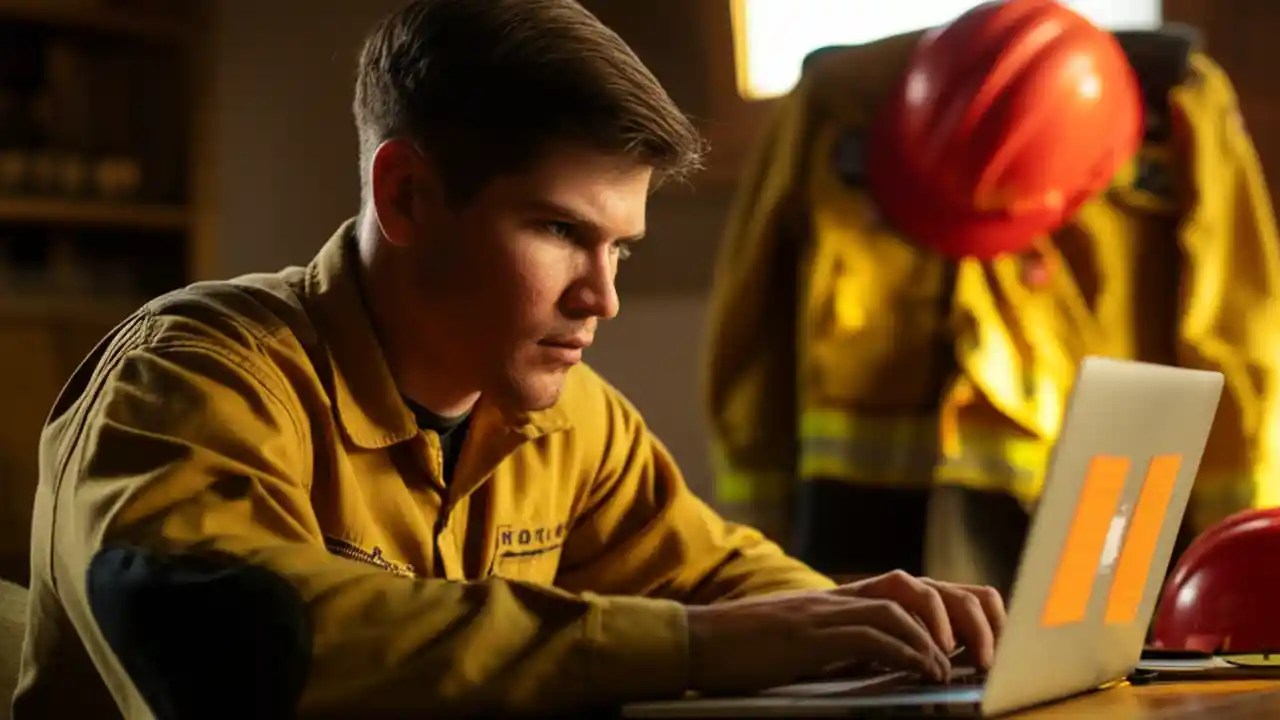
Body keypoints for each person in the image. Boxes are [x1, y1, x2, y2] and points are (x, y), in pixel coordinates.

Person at [11, 1, 1004, 717]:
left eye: (620, 249)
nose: (602, 297)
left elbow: (727, 587)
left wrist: (880, 623)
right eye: (559, 232)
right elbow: (223, 641)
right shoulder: (191, 374)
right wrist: (694, 649)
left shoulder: (576, 421)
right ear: (403, 197)